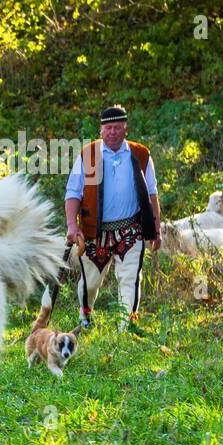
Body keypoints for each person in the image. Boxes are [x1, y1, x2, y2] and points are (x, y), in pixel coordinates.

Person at [64, 105, 161, 330]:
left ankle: (126, 328)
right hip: (94, 231)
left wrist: (156, 229)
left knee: (129, 279)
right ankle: (86, 318)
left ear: (126, 128)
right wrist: (71, 223)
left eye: (118, 127)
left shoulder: (141, 154)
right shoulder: (87, 154)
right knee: (90, 282)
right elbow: (73, 192)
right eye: (108, 127)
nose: (113, 132)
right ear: (101, 130)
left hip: (131, 229)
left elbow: (152, 192)